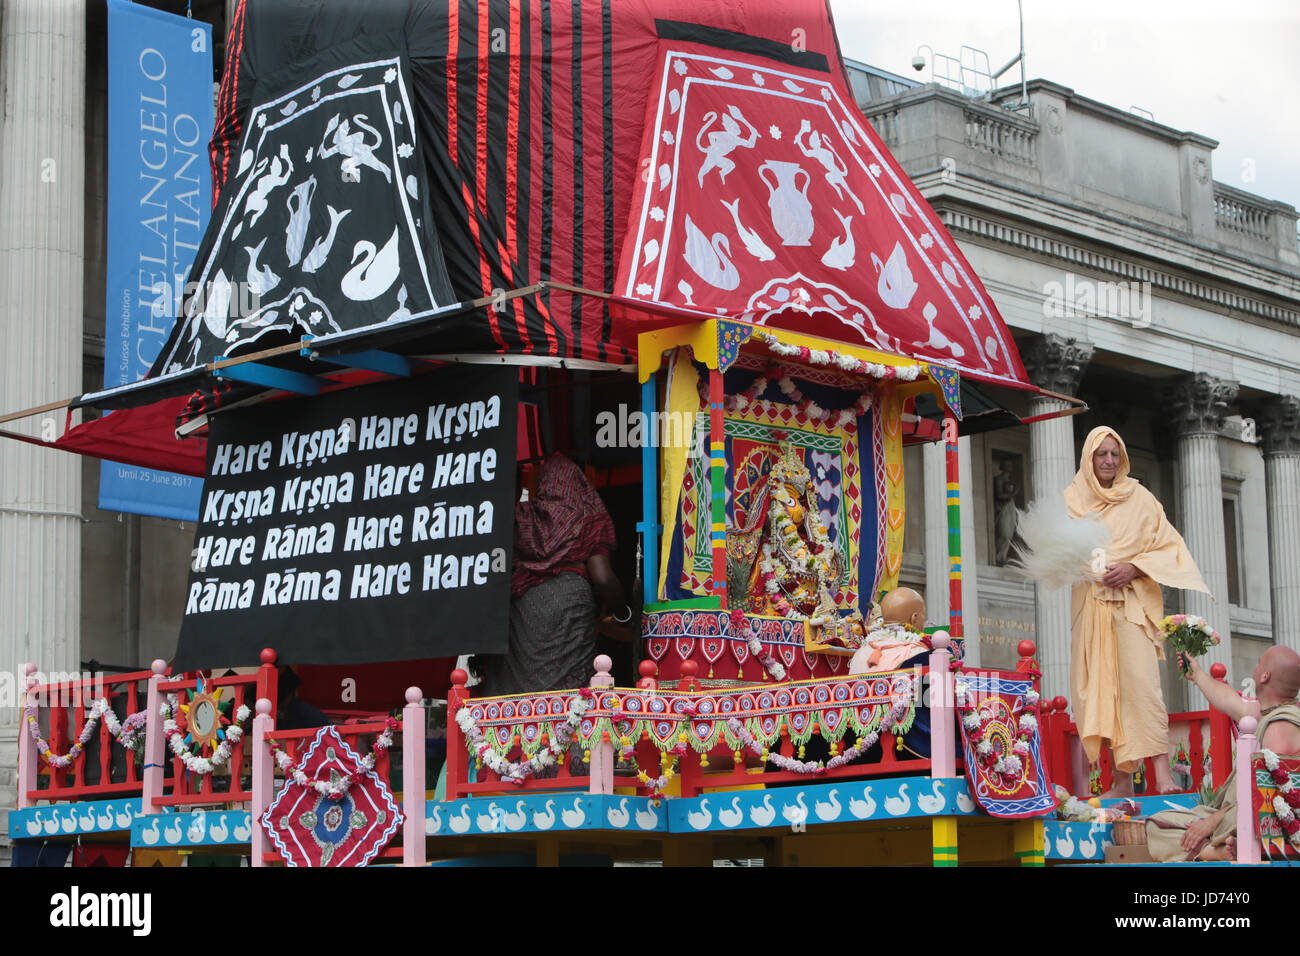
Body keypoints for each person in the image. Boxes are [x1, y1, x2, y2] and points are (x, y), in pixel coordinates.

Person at [1066, 426, 1209, 796]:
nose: (1109, 461)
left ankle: (1162, 777)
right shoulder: (1072, 500)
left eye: (1115, 454)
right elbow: (1065, 551)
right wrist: (1095, 568)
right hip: (1093, 606)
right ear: (1089, 459)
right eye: (1102, 454)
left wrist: (1133, 567)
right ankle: (1122, 781)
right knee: (1102, 690)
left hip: (1132, 607)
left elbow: (1167, 547)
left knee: (1143, 687)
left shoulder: (1141, 498)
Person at [484, 453, 631, 696]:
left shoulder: (521, 518)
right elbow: (603, 577)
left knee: (520, 683)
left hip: (523, 609)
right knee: (570, 691)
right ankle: (566, 727)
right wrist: (624, 615)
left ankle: (520, 727)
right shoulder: (588, 518)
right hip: (570, 603)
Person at [1146, 646, 1300, 861]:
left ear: (1265, 676)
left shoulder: (1281, 725)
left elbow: (1270, 795)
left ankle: (1213, 848)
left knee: (1242, 819)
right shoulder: (1266, 712)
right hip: (1235, 812)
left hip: (1262, 815)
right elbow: (1228, 700)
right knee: (1156, 822)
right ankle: (1216, 848)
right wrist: (1198, 674)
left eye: (1259, 663)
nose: (1254, 668)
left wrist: (1213, 820)